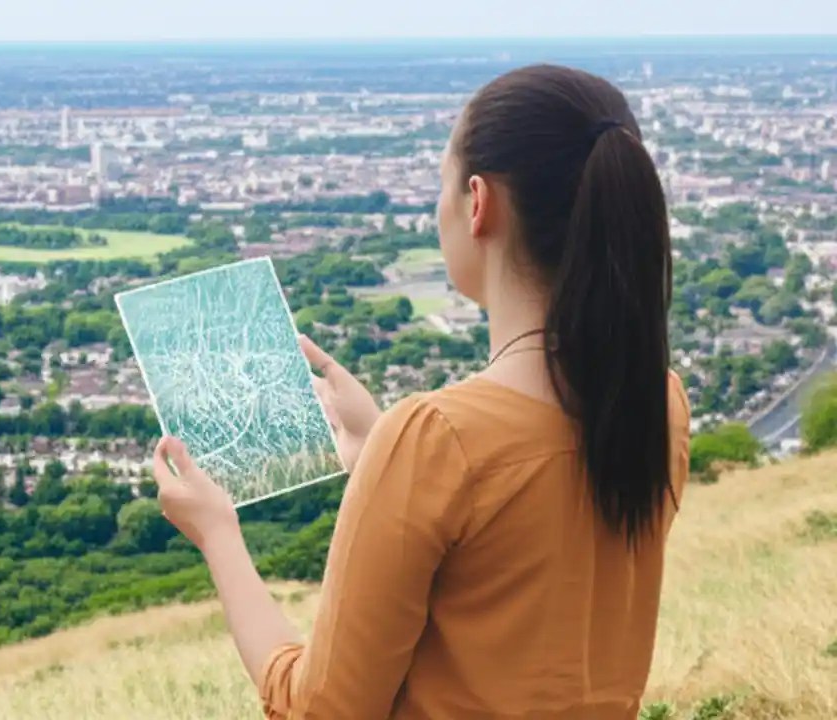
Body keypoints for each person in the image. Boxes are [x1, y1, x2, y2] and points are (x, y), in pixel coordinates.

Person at [152, 64, 691, 720]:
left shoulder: (437, 438)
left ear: (477, 201)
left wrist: (216, 532)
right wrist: (384, 456)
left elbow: (321, 710)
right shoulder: (657, 404)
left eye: (440, 186)